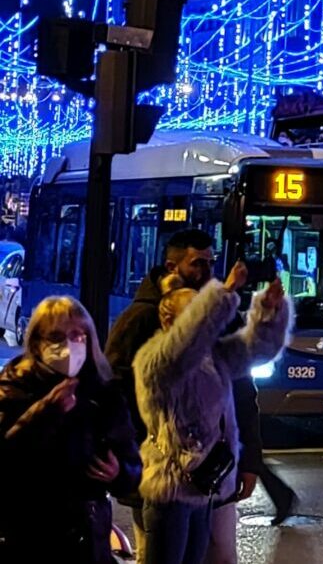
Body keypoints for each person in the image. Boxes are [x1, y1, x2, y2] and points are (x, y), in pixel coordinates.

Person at [106, 229, 278, 564]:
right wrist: (131, 459)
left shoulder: (214, 316)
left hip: (212, 469)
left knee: (219, 554)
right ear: (172, 267)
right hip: (164, 473)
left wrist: (248, 458)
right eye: (197, 263)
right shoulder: (144, 321)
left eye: (210, 262)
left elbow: (242, 388)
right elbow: (117, 393)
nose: (206, 272)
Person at [135, 263, 292, 564]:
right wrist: (225, 292)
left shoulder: (213, 355)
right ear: (169, 321)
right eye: (194, 313)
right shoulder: (154, 361)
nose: (204, 320)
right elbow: (184, 345)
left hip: (206, 482)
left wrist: (269, 312)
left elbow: (255, 350)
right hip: (170, 487)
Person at [0, 296, 142, 563]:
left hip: (87, 543)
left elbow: (132, 465)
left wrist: (119, 472)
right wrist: (45, 413)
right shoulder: (15, 386)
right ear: (37, 342)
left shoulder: (103, 392)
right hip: (27, 540)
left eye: (78, 335)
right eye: (55, 337)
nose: (68, 346)